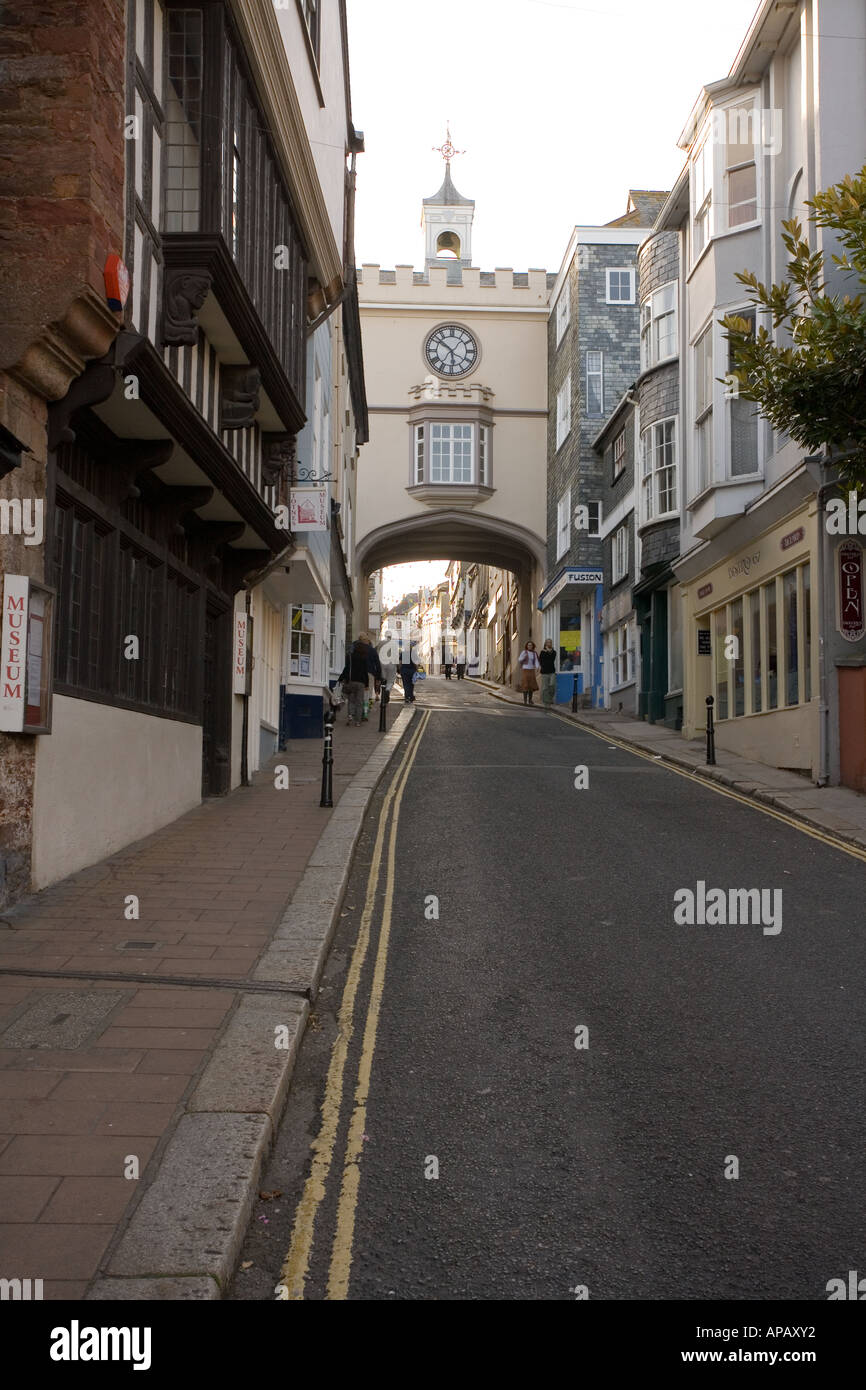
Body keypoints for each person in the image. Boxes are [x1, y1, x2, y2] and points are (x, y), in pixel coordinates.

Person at [338, 633, 381, 726]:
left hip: (352, 678)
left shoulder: (352, 652)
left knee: (351, 698)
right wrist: (378, 677)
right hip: (365, 677)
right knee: (363, 698)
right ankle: (362, 716)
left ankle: (350, 715)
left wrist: (342, 678)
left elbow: (347, 667)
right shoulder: (371, 651)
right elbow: (377, 664)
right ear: (366, 640)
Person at [517, 639, 540, 705]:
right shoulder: (524, 652)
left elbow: (536, 661)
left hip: (532, 670)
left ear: (533, 646)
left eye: (531, 645)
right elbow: (519, 659)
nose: (530, 646)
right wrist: (524, 657)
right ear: (527, 646)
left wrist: (537, 666)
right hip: (525, 670)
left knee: (531, 685)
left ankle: (530, 700)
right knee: (525, 685)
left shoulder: (534, 653)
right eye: (528, 645)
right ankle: (525, 701)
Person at [539, 638, 557, 709]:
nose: (549, 644)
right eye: (548, 642)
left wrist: (549, 651)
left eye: (550, 642)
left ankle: (550, 699)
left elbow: (552, 658)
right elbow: (541, 661)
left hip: (552, 671)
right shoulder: (542, 652)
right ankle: (546, 702)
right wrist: (546, 652)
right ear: (545, 644)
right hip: (544, 672)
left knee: (552, 686)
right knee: (545, 688)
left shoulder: (554, 652)